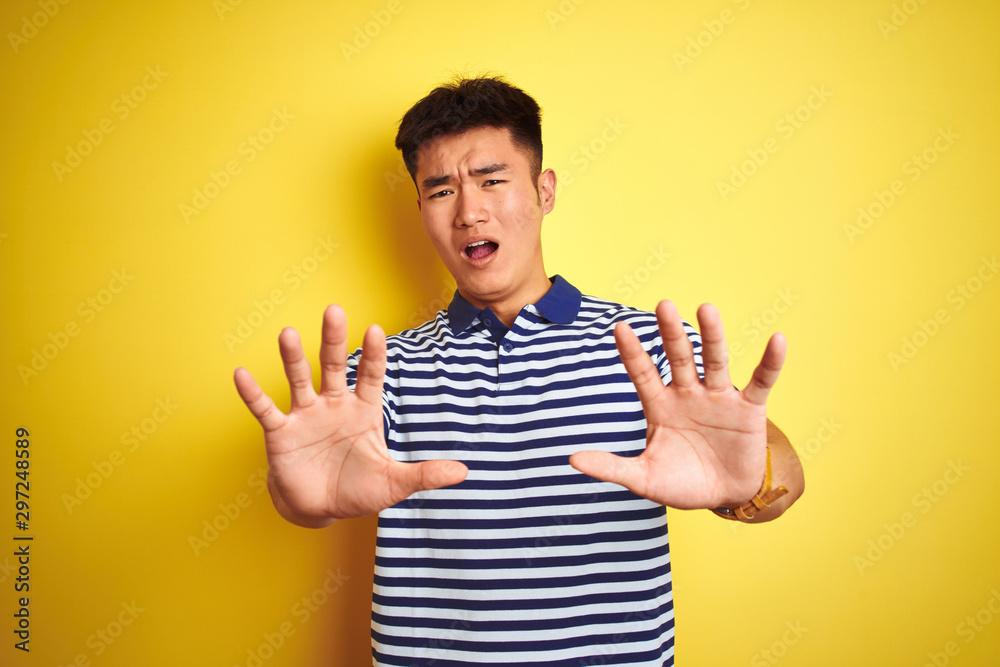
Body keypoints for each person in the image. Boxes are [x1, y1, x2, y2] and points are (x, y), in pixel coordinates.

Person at [234, 76, 804, 666]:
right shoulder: (379, 375)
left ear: (544, 190)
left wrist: (747, 483)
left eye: (492, 180)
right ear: (422, 210)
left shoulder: (653, 351)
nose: (469, 211)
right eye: (440, 191)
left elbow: (780, 474)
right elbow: (300, 495)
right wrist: (304, 501)